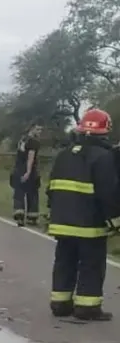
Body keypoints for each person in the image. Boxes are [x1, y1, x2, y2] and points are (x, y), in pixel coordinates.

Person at [47, 108, 120, 321]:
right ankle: (87, 308)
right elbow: (108, 193)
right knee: (91, 265)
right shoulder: (103, 157)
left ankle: (60, 304)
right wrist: (115, 221)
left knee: (64, 262)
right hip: (90, 224)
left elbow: (51, 188)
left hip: (62, 222)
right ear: (105, 131)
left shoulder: (64, 154)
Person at [11, 123, 42, 227]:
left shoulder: (22, 140)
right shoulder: (33, 141)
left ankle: (19, 215)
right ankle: (31, 218)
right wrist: (28, 172)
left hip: (18, 170)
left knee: (19, 193)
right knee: (32, 194)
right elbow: (30, 157)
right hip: (29, 172)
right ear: (32, 129)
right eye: (38, 130)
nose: (39, 132)